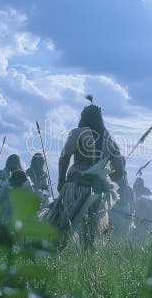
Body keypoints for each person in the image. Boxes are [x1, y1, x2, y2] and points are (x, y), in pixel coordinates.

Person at [48, 101, 125, 249]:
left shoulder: (78, 133)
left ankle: (56, 254)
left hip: (75, 187)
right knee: (90, 231)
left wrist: (61, 180)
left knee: (63, 225)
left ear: (83, 118)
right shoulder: (109, 139)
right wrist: (104, 179)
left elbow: (64, 157)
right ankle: (87, 259)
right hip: (97, 191)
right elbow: (120, 171)